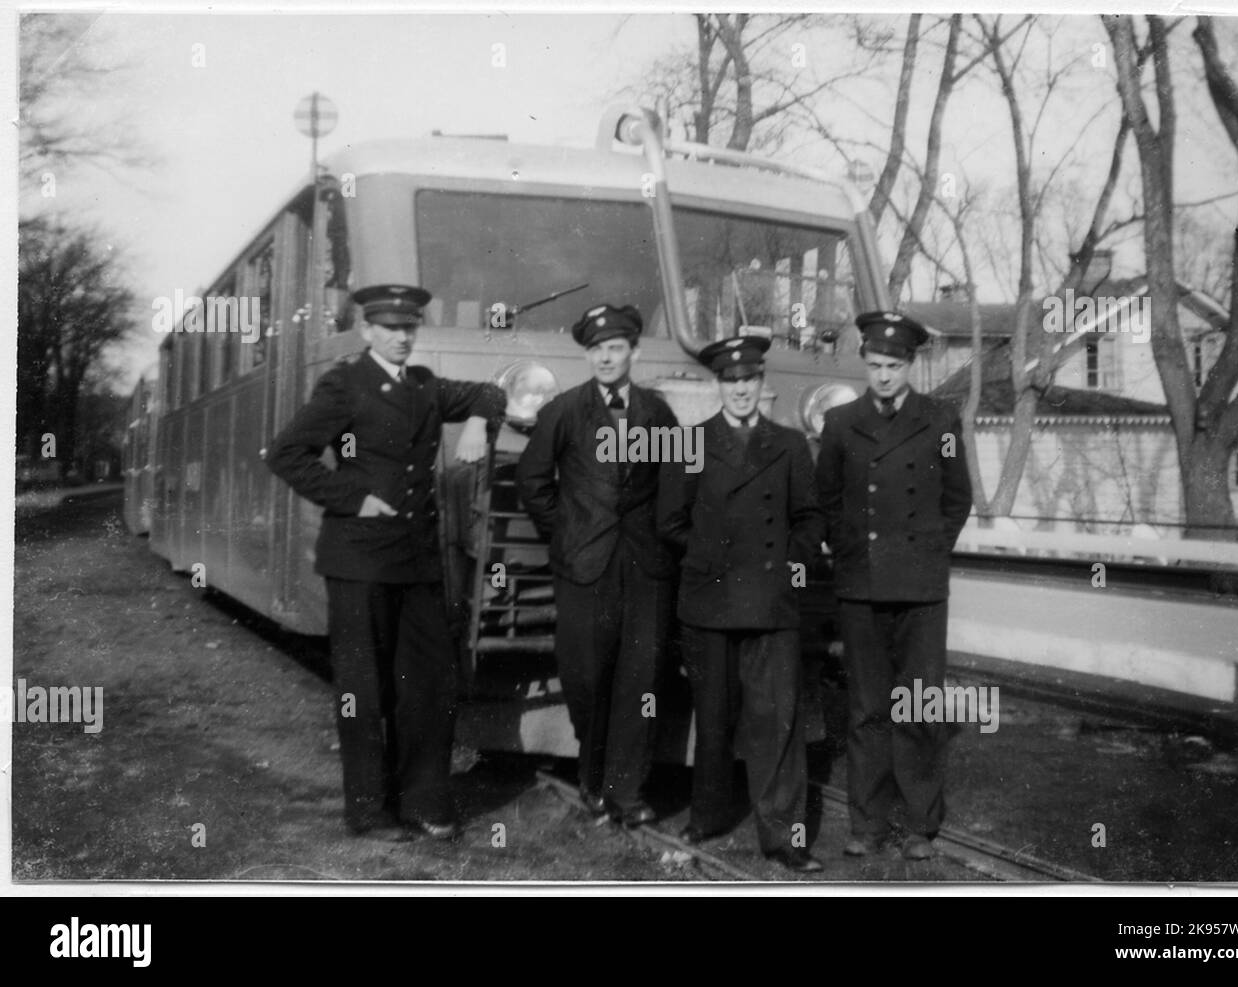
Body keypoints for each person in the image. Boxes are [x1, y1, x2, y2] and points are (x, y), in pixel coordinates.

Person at [265, 283, 505, 843]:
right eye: (391, 327)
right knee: (364, 688)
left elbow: (492, 394)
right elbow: (286, 453)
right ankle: (369, 811)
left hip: (418, 563)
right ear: (368, 330)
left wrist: (474, 421)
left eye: (410, 328)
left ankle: (422, 800)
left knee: (427, 683)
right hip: (361, 559)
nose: (402, 337)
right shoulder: (345, 385)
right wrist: (351, 499)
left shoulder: (423, 387)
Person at [658, 335, 825, 874]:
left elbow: (810, 519)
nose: (740, 390)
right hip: (710, 600)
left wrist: (786, 567)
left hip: (772, 604)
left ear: (761, 384)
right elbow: (670, 522)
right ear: (718, 386)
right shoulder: (691, 441)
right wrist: (712, 557)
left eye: (748, 381)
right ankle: (707, 817)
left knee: (776, 720)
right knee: (714, 717)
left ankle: (783, 838)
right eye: (730, 382)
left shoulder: (791, 444)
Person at [815, 311, 973, 861]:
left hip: (922, 588)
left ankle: (920, 827)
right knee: (866, 709)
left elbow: (959, 498)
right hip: (861, 585)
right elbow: (826, 499)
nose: (884, 376)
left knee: (920, 706)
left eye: (895, 365)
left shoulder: (941, 421)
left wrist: (929, 551)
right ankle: (868, 825)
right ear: (865, 363)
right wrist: (852, 550)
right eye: (876, 365)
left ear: (911, 365)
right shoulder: (839, 423)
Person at [516, 303, 677, 827]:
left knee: (643, 677)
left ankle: (627, 792)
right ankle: (593, 775)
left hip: (645, 566)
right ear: (587, 354)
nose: (606, 358)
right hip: (584, 567)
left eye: (616, 348)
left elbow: (678, 479)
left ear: (633, 351)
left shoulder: (657, 412)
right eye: (597, 350)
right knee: (586, 675)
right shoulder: (565, 410)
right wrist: (564, 536)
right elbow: (532, 480)